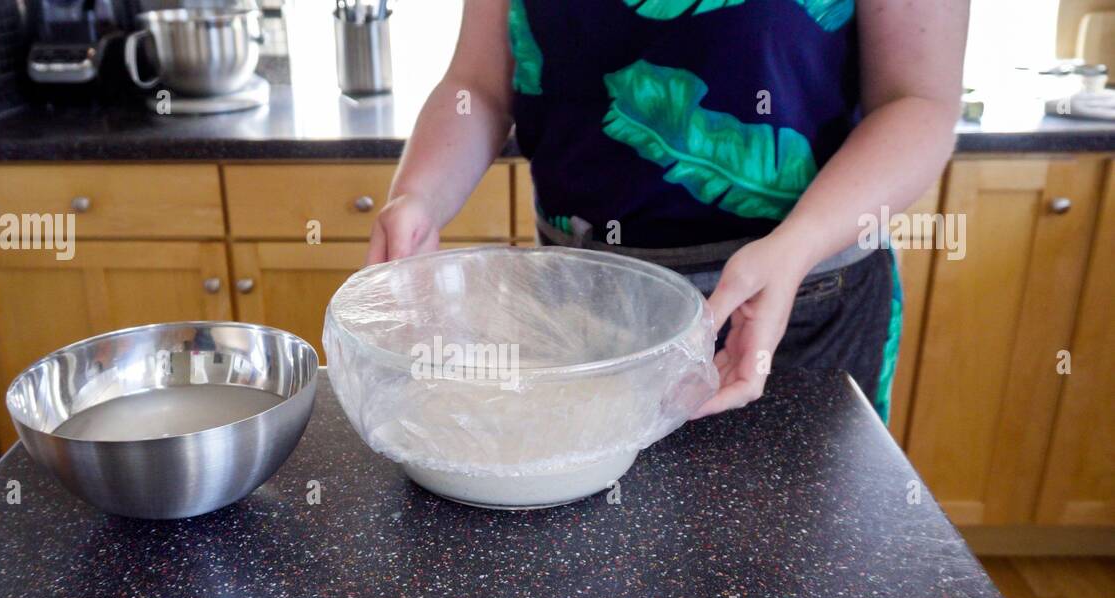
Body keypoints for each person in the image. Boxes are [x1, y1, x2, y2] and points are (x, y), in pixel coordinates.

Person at [366, 0, 969, 421]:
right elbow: (479, 84)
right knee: (593, 574)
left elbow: (917, 102)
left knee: (785, 583)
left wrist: (799, 243)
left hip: (790, 310)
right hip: (576, 306)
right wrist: (419, 194)